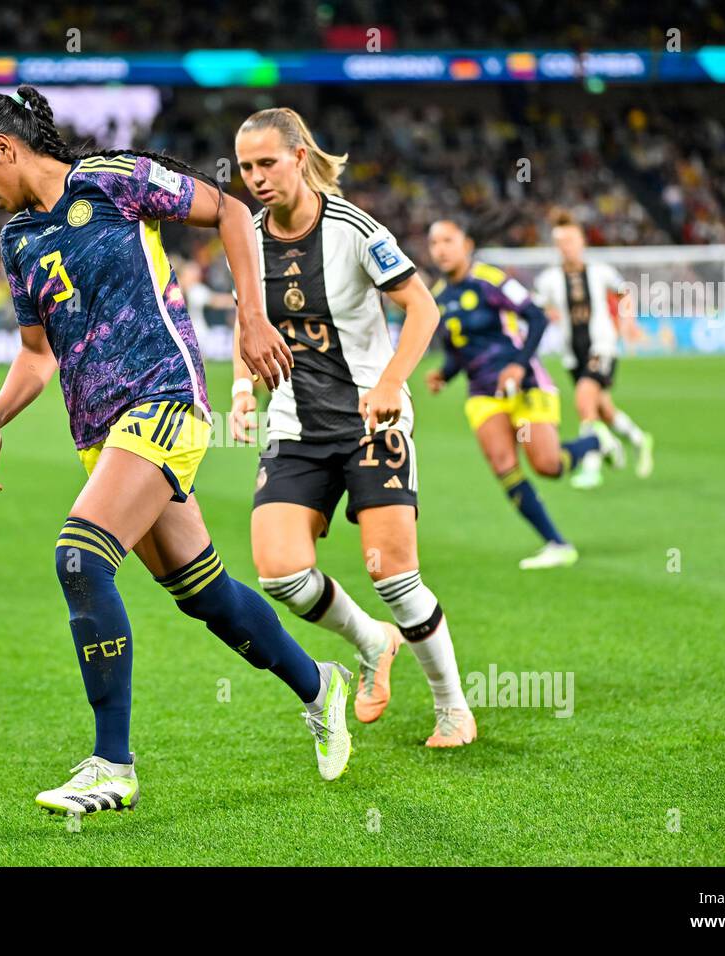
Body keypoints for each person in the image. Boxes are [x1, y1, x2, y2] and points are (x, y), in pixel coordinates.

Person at [0, 87, 354, 816]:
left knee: (79, 557)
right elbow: (37, 356)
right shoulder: (18, 241)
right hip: (100, 433)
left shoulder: (112, 179)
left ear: (3, 148)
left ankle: (113, 764)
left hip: (165, 398)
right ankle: (321, 685)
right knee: (208, 596)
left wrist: (252, 320)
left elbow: (230, 209)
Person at [229, 107, 475, 748]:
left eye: (266, 163)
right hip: (293, 423)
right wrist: (240, 389)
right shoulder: (245, 237)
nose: (254, 178)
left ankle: (452, 707)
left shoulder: (355, 228)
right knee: (279, 571)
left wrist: (393, 380)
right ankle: (372, 643)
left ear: (299, 156)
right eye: (245, 167)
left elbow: (421, 307)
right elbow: (249, 322)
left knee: (392, 573)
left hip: (371, 420)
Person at [424, 216, 622, 570]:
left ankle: (596, 442)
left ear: (466, 244)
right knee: (503, 465)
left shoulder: (491, 280)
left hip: (526, 382)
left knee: (548, 465)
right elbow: (460, 351)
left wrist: (518, 364)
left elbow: (537, 317)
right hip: (483, 393)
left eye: (448, 240)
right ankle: (557, 543)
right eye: (434, 243)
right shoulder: (438, 298)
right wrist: (444, 374)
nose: (440, 249)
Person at [533, 211, 655, 486]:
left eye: (571, 241)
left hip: (602, 347)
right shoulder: (549, 279)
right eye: (561, 242)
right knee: (603, 410)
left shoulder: (601, 272)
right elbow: (536, 309)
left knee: (584, 403)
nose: (567, 247)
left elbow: (624, 292)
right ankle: (639, 438)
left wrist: (628, 322)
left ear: (582, 242)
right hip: (573, 355)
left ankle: (592, 463)